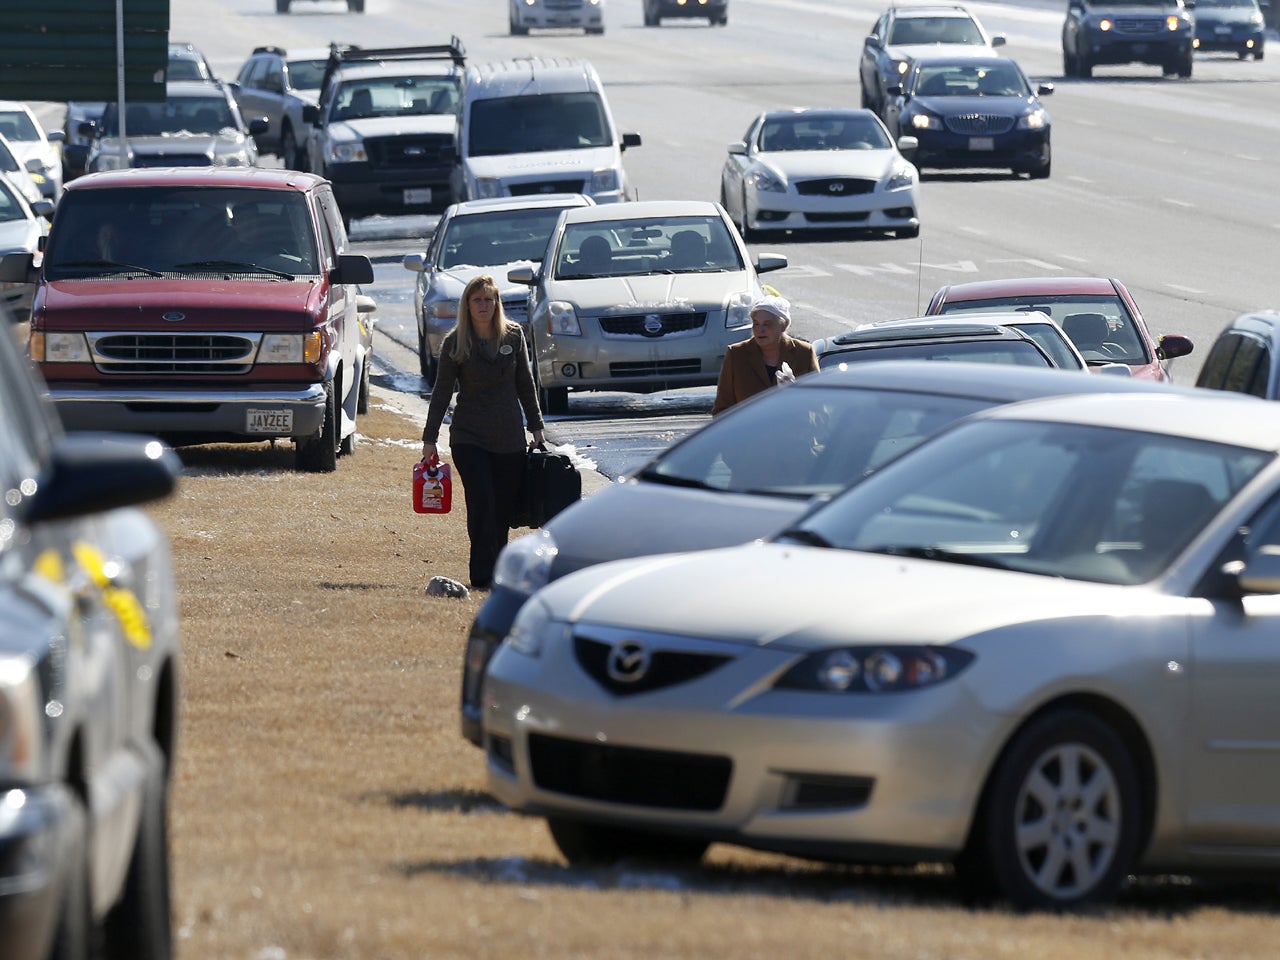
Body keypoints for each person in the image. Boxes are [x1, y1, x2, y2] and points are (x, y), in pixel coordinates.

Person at [421, 274, 545, 589]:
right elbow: (441, 392)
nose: (484, 306)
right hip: (469, 436)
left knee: (502, 510)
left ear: (497, 303)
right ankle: (480, 576)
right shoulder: (455, 342)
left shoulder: (513, 337)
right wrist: (430, 438)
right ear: (468, 305)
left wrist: (537, 427)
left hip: (508, 437)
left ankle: (499, 575)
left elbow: (525, 386)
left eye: (489, 299)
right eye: (477, 300)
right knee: (482, 503)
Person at [711, 294, 819, 416]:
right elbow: (722, 408)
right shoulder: (736, 354)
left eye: (767, 324)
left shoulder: (804, 353)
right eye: (756, 324)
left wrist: (796, 394)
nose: (760, 330)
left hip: (792, 431)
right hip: (750, 432)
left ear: (783, 325)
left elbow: (818, 403)